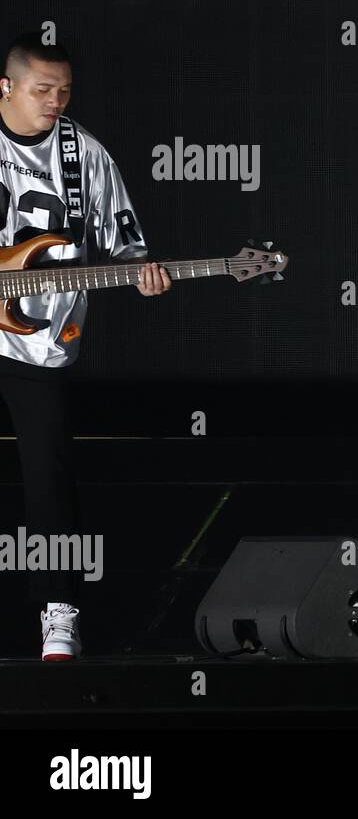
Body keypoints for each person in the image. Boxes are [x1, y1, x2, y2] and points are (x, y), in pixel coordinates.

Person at [0, 33, 171, 660]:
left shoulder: (84, 155)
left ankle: (59, 617)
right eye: (42, 89)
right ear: (7, 87)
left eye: (64, 90)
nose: (54, 101)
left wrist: (144, 275)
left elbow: (128, 249)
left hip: (39, 346)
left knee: (50, 483)